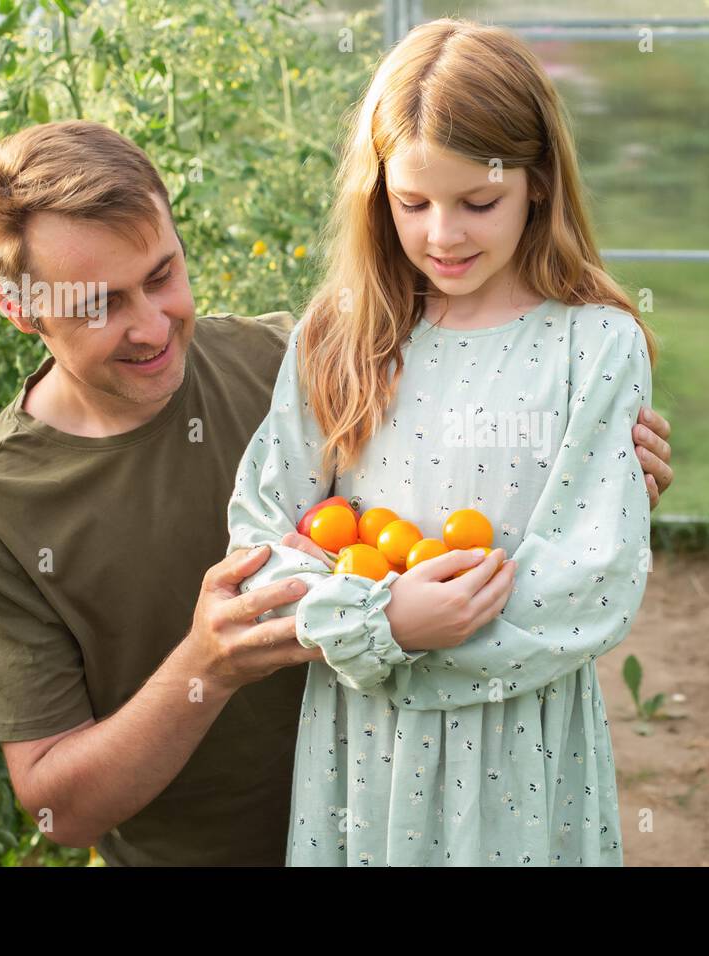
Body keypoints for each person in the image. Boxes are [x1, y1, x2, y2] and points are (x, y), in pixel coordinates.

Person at [0, 119, 675, 865]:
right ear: (18, 307)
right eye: (100, 305)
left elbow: (479, 458)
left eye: (161, 275)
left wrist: (597, 481)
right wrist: (207, 665)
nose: (152, 327)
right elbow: (58, 807)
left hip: (417, 823)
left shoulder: (288, 360)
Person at [227, 19, 657, 866]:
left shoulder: (595, 344)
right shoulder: (341, 335)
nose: (442, 236)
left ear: (538, 183)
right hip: (366, 747)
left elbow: (592, 574)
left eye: (478, 202)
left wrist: (403, 639)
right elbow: (260, 535)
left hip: (521, 741)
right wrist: (382, 620)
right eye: (412, 203)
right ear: (376, 193)